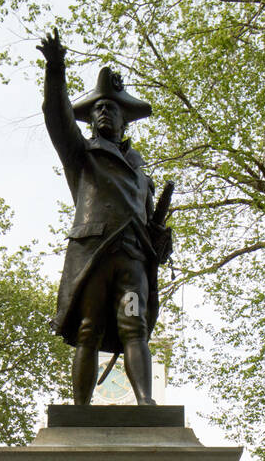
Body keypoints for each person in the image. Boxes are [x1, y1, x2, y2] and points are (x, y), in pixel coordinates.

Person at [38, 29, 172, 406]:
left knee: (135, 327)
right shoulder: (82, 155)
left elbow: (150, 224)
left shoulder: (140, 172)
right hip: (94, 256)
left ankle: (145, 402)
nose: (103, 112)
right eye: (97, 108)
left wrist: (161, 240)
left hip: (132, 258)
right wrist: (55, 69)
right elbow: (57, 117)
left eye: (111, 107)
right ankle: (81, 408)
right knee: (89, 330)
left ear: (124, 119)